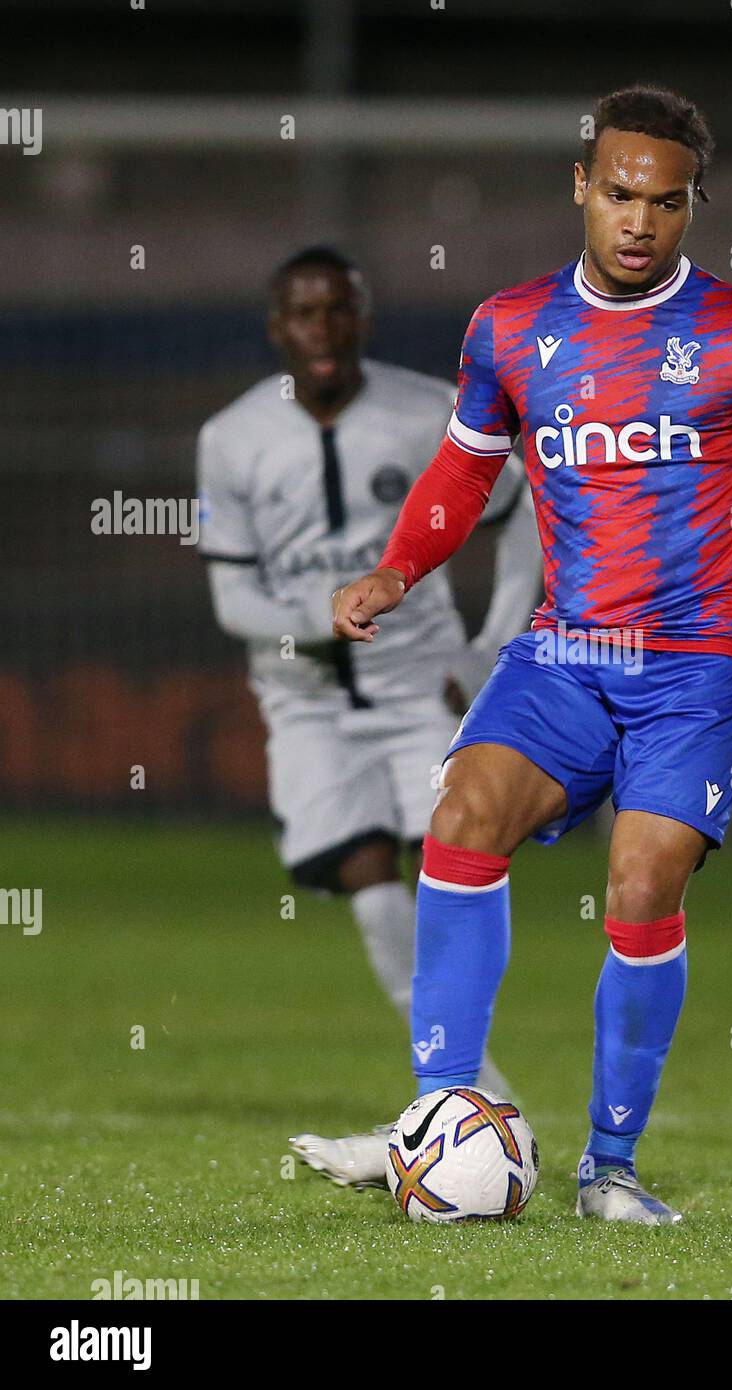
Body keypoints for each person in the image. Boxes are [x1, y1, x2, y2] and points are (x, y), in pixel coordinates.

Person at [329, 86, 732, 1222]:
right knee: (464, 808)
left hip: (702, 659)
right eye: (618, 194)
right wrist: (394, 570)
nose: (637, 221)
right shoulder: (510, 328)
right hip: (567, 651)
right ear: (581, 184)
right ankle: (438, 1117)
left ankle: (607, 1168)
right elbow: (466, 470)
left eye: (663, 203)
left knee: (643, 875)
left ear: (691, 206)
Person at [196, 246, 541, 1183]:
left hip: (416, 688)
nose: (321, 329)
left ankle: (466, 1105)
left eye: (338, 311)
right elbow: (235, 603)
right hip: (302, 704)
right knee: (364, 873)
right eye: (302, 314)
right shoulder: (231, 439)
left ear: (362, 317)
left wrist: (493, 649)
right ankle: (482, 1107)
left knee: (454, 865)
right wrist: (322, 623)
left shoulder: (428, 408)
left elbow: (528, 520)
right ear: (277, 326)